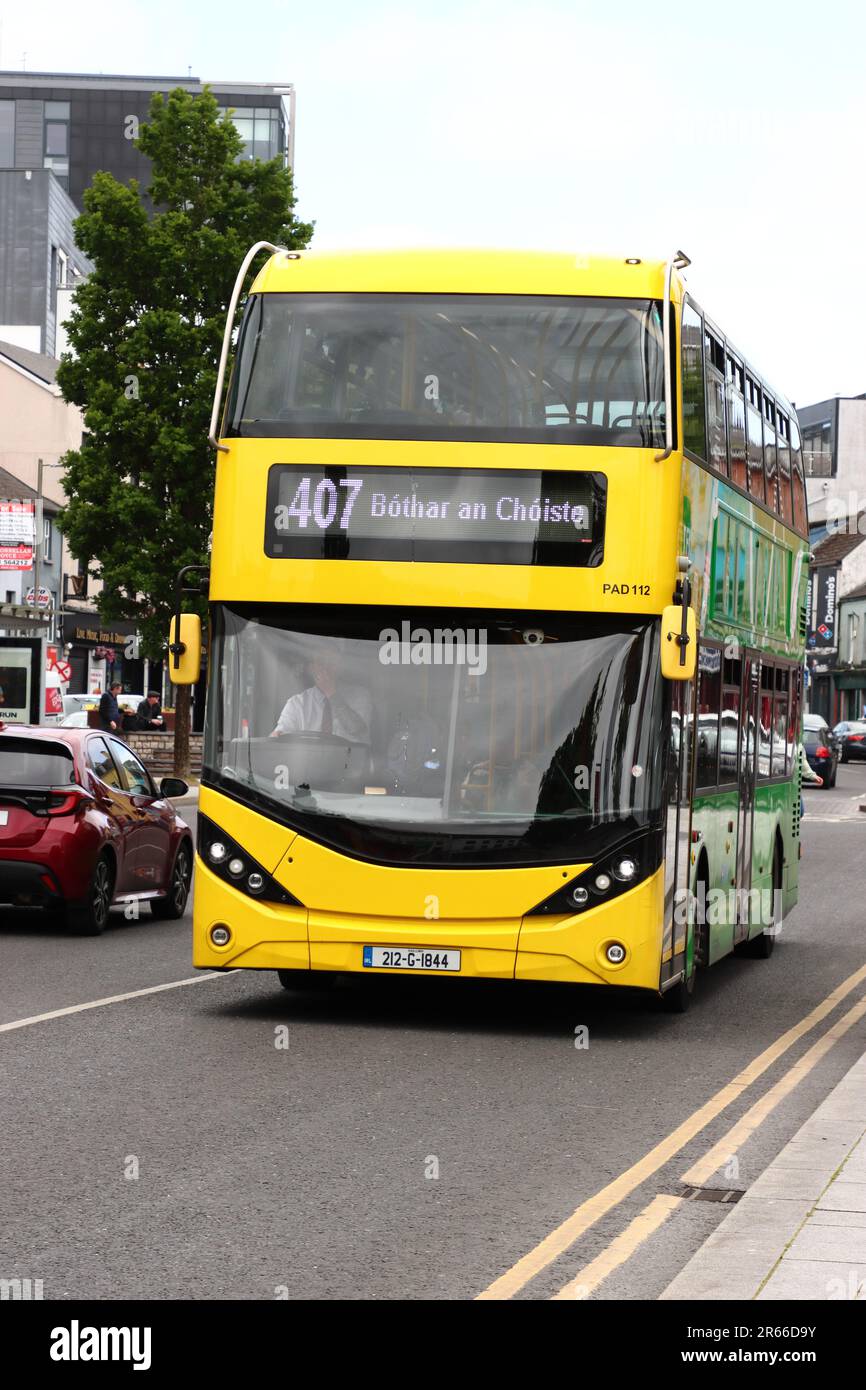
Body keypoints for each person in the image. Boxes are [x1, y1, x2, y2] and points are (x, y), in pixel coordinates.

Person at [271, 651, 371, 743]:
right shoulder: (297, 704)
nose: (326, 668)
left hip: (349, 760)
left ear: (340, 667)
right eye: (321, 662)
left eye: (332, 662)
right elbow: (281, 735)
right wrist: (278, 736)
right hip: (309, 761)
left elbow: (359, 731)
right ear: (312, 667)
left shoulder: (360, 696)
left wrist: (331, 693)